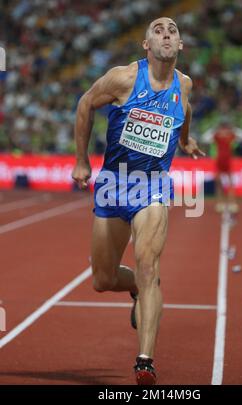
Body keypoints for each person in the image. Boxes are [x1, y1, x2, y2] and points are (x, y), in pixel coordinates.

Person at [71, 17, 203, 385]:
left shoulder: (184, 84)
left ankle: (144, 361)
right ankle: (130, 288)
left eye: (172, 31)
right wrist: (82, 160)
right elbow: (85, 104)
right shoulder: (124, 78)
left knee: (149, 267)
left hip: (153, 187)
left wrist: (185, 140)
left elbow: (186, 109)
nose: (166, 34)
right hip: (114, 185)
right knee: (102, 279)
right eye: (158, 30)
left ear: (180, 46)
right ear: (146, 44)